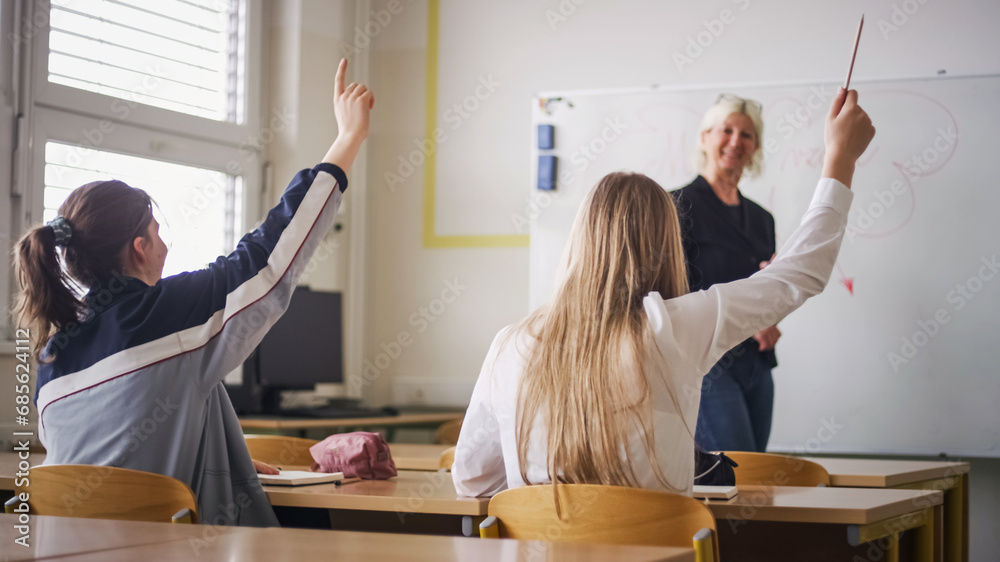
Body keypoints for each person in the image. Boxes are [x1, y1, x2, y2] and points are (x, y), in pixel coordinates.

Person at [452, 89, 874, 498]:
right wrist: (840, 158)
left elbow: (472, 481)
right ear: (666, 244)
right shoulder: (676, 325)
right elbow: (801, 272)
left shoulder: (510, 344)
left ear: (579, 240)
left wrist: (560, 494)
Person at [13, 59, 373, 527]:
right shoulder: (166, 317)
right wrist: (347, 140)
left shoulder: (51, 362)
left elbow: (123, 456)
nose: (165, 247)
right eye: (157, 234)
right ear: (139, 248)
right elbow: (267, 258)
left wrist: (226, 467)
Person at [672, 93, 780, 453]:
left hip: (757, 366)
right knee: (737, 477)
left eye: (746, 135)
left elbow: (764, 289)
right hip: (709, 364)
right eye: (727, 130)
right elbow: (670, 294)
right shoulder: (676, 207)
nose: (736, 142)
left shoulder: (763, 219)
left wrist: (770, 317)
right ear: (705, 137)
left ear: (756, 146)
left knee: (756, 474)